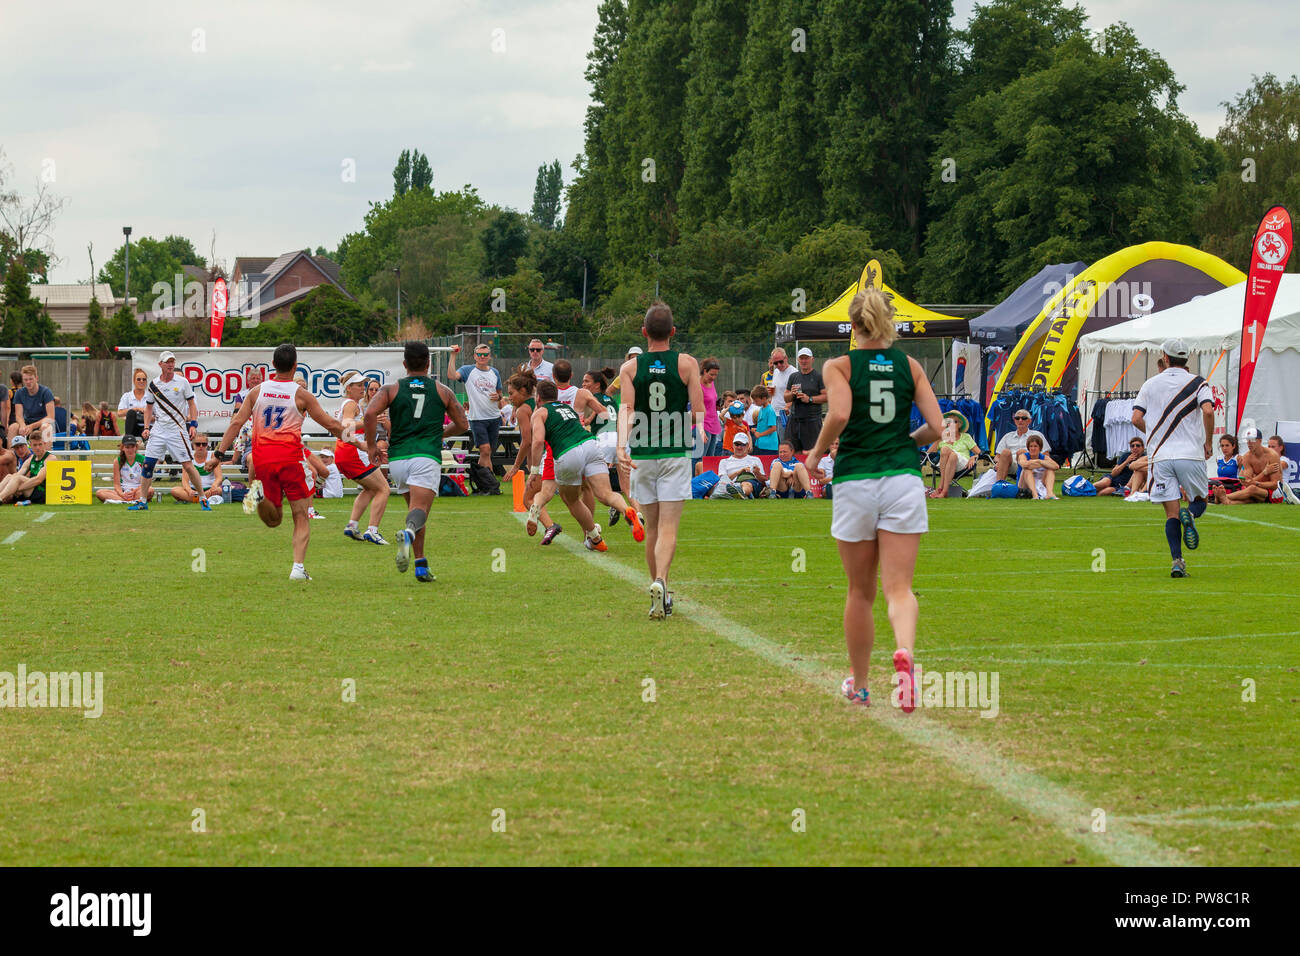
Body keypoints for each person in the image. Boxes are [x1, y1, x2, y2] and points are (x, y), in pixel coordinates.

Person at [803, 286, 942, 711]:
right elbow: (937, 427)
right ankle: (905, 653)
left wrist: (816, 452)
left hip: (857, 480)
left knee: (860, 592)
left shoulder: (839, 366)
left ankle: (861, 685)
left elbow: (840, 414)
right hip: (903, 479)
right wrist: (906, 441)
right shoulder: (910, 366)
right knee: (899, 589)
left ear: (854, 323)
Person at [214, 343, 345, 580]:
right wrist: (358, 441)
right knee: (301, 515)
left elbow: (236, 423)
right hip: (291, 460)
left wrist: (218, 454)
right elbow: (331, 424)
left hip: (263, 460)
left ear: (273, 365)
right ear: (295, 366)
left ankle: (259, 496)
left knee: (274, 521)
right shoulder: (302, 394)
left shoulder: (257, 392)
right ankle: (298, 568)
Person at [617, 301, 704, 618]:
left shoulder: (630, 368)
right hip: (675, 453)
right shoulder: (687, 363)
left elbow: (627, 410)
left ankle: (657, 586)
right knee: (669, 528)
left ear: (644, 332)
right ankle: (662, 582)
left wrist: (621, 446)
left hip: (642, 454)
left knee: (651, 527)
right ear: (673, 332)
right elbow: (698, 411)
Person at [364, 342, 469, 582]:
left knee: (415, 511)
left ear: (404, 364)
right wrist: (441, 433)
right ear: (429, 363)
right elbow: (463, 424)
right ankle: (408, 534)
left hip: (398, 460)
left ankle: (421, 565)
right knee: (419, 513)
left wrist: (371, 446)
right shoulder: (442, 391)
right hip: (425, 457)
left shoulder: (391, 389)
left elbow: (369, 413)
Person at [1131, 338, 1214, 578]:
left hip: (1161, 456)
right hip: (1190, 454)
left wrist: (1153, 435)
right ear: (1186, 358)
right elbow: (1208, 411)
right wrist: (1208, 442)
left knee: (1171, 514)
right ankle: (1192, 514)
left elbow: (1136, 418)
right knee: (1200, 500)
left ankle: (1177, 561)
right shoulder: (1198, 382)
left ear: (1165, 358)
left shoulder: (1150, 384)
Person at [529, 378, 642, 553]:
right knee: (605, 494)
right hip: (591, 445)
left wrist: (534, 470)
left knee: (572, 500)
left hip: (567, 452)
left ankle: (593, 536)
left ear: (538, 398)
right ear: (556, 395)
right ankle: (626, 510)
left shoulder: (540, 412)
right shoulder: (568, 409)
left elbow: (537, 441)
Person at [130, 351, 208, 512]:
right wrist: (146, 427)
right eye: (167, 362)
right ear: (160, 364)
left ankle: (203, 498)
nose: (171, 364)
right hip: (158, 429)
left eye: (172, 361)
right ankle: (142, 501)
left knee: (188, 466)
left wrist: (193, 424)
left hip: (177, 430)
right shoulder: (154, 384)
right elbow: (148, 407)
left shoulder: (183, 382)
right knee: (147, 465)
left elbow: (192, 404)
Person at [333, 371, 391, 544]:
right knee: (384, 489)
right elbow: (346, 427)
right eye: (359, 385)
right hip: (351, 453)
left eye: (363, 384)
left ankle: (352, 525)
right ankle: (372, 530)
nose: (362, 388)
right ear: (348, 388)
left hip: (344, 452)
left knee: (371, 489)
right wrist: (370, 421)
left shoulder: (350, 404)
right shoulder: (351, 404)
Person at [448, 343, 504, 495]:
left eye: (485, 354)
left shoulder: (495, 372)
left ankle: (488, 485)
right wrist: (453, 355)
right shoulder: (468, 370)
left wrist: (498, 397)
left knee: (487, 453)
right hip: (477, 418)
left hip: (494, 417)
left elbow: (500, 395)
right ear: (474, 356)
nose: (482, 357)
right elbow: (452, 376)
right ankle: (489, 485)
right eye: (479, 354)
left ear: (489, 356)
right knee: (485, 450)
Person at [1213, 428, 1281, 504]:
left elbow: (1275, 485)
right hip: (1257, 489)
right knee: (1248, 498)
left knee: (1252, 489)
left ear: (1260, 441)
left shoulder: (1272, 455)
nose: (1249, 443)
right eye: (1247, 440)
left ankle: (1223, 497)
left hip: (1273, 493)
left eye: (1252, 440)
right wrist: (1264, 473)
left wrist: (1255, 483)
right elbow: (1247, 482)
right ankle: (1226, 501)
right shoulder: (1247, 457)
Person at [784, 347, 826, 453]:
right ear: (798, 360)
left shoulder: (818, 377)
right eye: (801, 358)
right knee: (791, 452)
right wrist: (792, 394)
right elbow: (786, 398)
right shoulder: (793, 376)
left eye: (806, 358)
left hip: (812, 421)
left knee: (811, 453)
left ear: (812, 359)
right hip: (794, 420)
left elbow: (826, 397)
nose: (804, 361)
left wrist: (810, 399)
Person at [929, 410, 980, 498]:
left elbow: (980, 453)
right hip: (944, 464)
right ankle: (944, 491)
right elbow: (928, 454)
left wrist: (974, 457)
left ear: (959, 425)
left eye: (955, 422)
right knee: (948, 452)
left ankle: (941, 487)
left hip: (962, 465)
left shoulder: (966, 437)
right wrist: (938, 440)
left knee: (949, 452)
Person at [993, 410, 1050, 481]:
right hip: (1011, 464)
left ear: (1029, 421)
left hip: (1030, 463)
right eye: (1017, 418)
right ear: (1014, 421)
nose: (1020, 420)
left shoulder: (1037, 435)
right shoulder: (1007, 436)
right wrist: (999, 462)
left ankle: (1021, 484)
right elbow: (997, 456)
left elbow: (1046, 454)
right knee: (1005, 452)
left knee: (1021, 453)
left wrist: (1039, 464)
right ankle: (999, 484)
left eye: (1024, 418)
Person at [0, 432, 54, 505]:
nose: (37, 448)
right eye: (35, 445)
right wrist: (12, 486)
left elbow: (38, 480)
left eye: (40, 444)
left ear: (44, 444)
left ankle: (1, 497)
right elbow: (18, 474)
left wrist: (17, 488)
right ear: (30, 445)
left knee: (18, 478)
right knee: (9, 476)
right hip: (33, 490)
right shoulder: (31, 458)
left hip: (43, 492)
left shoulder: (50, 458)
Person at [8, 365, 55, 445]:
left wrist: (32, 426)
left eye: (31, 379)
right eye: (25, 380)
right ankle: (12, 452)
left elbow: (50, 417)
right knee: (13, 427)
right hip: (27, 423)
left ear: (36, 378)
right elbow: (18, 416)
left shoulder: (46, 392)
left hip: (42, 423)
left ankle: (46, 452)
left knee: (46, 427)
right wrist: (22, 425)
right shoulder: (19, 393)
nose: (28, 382)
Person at [171, 435, 222, 504]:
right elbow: (185, 480)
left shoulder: (213, 456)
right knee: (174, 490)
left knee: (220, 489)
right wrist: (189, 490)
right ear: (193, 445)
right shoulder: (188, 456)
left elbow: (219, 477)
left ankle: (195, 499)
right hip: (193, 490)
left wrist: (214, 486)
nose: (201, 446)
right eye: (198, 444)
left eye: (204, 444)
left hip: (209, 489)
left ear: (207, 445)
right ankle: (202, 499)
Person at [96, 435, 147, 503]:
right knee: (99, 492)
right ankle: (128, 500)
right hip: (123, 491)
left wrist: (134, 491)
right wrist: (122, 494)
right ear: (123, 448)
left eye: (132, 447)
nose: (130, 450)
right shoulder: (117, 461)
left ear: (136, 447)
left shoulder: (143, 460)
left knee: (150, 490)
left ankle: (122, 501)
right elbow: (117, 484)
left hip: (138, 491)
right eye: (127, 447)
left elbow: (145, 482)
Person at [715, 432, 767, 498]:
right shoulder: (724, 462)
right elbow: (722, 480)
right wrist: (739, 472)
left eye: (743, 445)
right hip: (731, 485)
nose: (739, 447)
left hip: (750, 483)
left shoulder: (755, 460)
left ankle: (740, 493)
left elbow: (764, 482)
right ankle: (741, 494)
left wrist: (757, 473)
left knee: (746, 484)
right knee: (727, 486)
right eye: (737, 444)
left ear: (747, 445)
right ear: (733, 445)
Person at [698, 358, 723, 457]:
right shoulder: (697, 385)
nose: (713, 377)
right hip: (703, 424)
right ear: (705, 371)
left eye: (716, 375)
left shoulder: (711, 382)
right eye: (711, 374)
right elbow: (695, 408)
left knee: (710, 458)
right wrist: (700, 430)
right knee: (700, 459)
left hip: (713, 424)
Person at [768, 348, 794, 437]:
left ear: (786, 358)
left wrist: (787, 407)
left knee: (785, 442)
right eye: (775, 363)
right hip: (773, 413)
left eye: (781, 362)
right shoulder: (776, 371)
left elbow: (796, 394)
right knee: (775, 443)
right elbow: (775, 391)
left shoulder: (793, 373)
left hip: (785, 415)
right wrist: (770, 393)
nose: (778, 365)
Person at [117, 368, 150, 437]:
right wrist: (136, 409)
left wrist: (145, 416)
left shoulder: (150, 397)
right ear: (134, 381)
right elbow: (119, 413)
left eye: (144, 379)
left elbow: (156, 417)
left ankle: (129, 439)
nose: (141, 381)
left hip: (147, 427)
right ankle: (128, 440)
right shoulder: (127, 396)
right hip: (132, 428)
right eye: (138, 379)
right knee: (131, 413)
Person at [750, 386, 779, 455]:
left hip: (769, 446)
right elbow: (765, 426)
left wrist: (760, 434)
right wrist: (756, 430)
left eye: (756, 401)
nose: (755, 403)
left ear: (764, 398)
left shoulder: (770, 410)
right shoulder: (761, 409)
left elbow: (773, 428)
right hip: (762, 444)